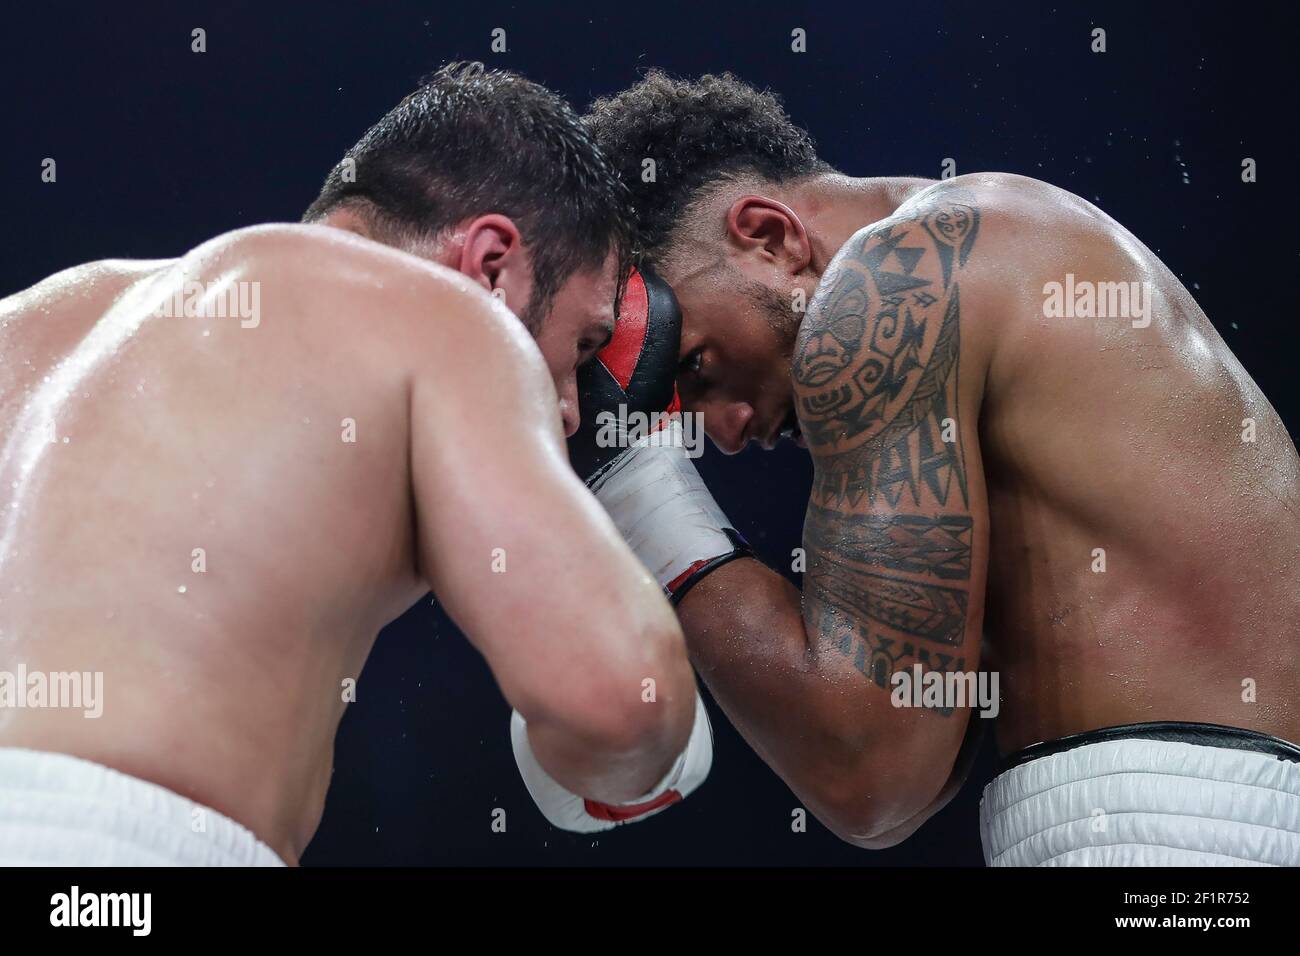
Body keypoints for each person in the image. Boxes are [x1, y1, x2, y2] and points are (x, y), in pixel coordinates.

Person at [573, 70, 1300, 865]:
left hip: (1168, 842)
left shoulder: (897, 276)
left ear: (770, 237)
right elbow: (901, 790)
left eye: (698, 370)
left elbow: (868, 774)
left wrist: (631, 479)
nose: (727, 434)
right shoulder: (1008, 241)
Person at [0, 63, 709, 867]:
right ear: (490, 266)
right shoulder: (442, 313)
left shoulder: (29, 320)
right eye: (582, 346)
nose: (575, 406)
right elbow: (617, 704)